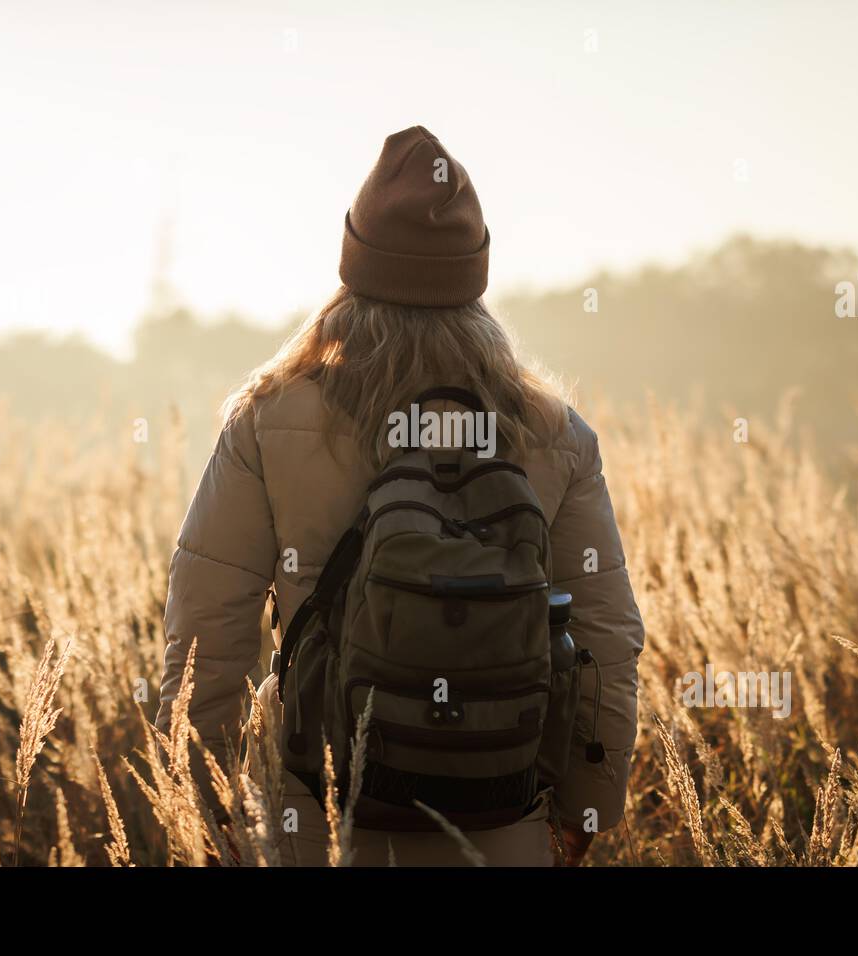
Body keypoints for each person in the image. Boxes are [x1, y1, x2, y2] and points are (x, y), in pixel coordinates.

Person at [155, 125, 643, 866]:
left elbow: (206, 635)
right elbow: (605, 641)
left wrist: (201, 802)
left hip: (319, 820)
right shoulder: (553, 432)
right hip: (501, 821)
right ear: (475, 278)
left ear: (354, 267)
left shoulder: (271, 418)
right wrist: (587, 806)